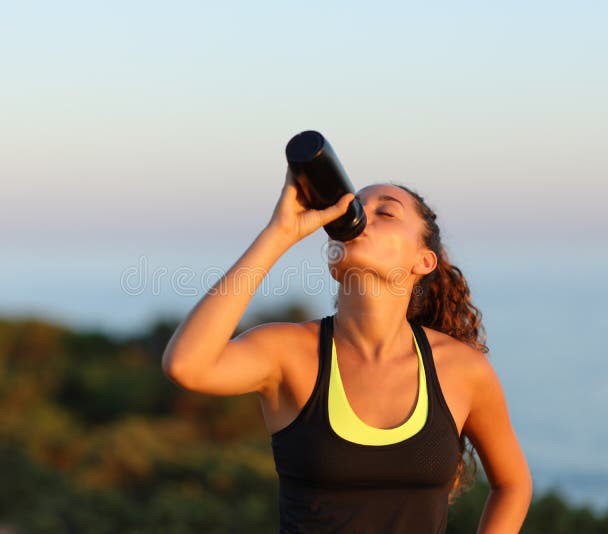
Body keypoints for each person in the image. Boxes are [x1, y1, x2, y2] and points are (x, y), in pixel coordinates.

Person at [162, 167, 532, 533]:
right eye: (352, 209)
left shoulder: (462, 369)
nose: (356, 218)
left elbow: (512, 485)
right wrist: (279, 233)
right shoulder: (288, 352)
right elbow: (186, 365)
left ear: (424, 261)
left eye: (385, 212)